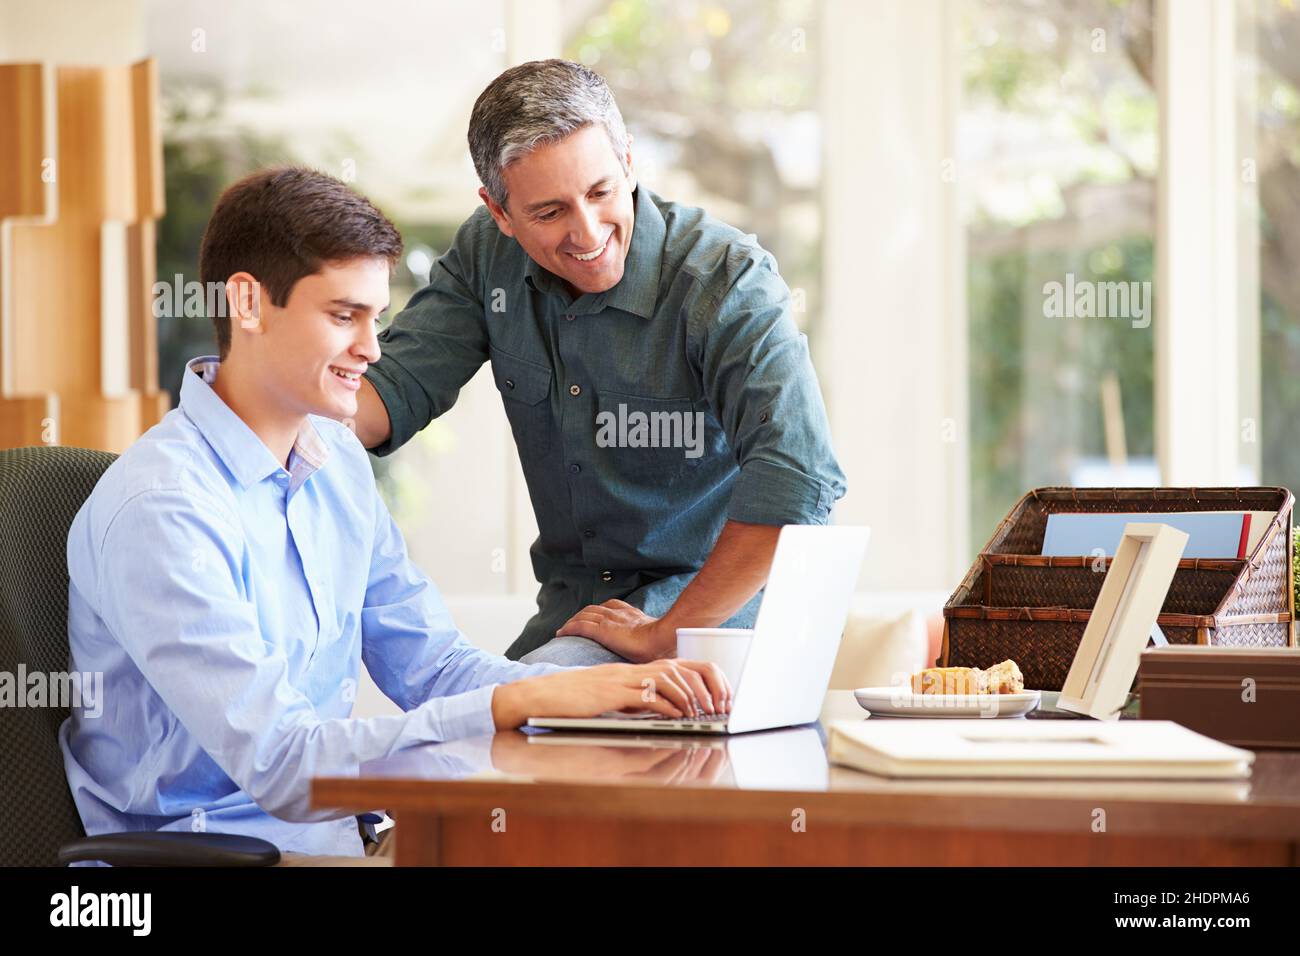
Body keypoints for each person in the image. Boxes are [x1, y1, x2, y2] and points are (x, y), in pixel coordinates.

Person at [58, 166, 728, 865]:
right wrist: (516, 707)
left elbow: (431, 664)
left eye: (376, 317)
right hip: (220, 855)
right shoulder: (165, 508)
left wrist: (580, 698)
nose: (373, 349)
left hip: (349, 841)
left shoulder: (335, 464)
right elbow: (283, 763)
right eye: (344, 316)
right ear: (248, 303)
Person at [352, 59, 847, 667]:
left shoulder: (726, 280)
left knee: (507, 713)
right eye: (549, 212)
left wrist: (666, 634)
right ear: (499, 212)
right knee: (477, 715)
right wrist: (269, 395)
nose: (586, 232)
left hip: (717, 625)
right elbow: (388, 396)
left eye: (600, 192)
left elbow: (799, 479)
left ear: (629, 161)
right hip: (574, 621)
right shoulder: (488, 256)